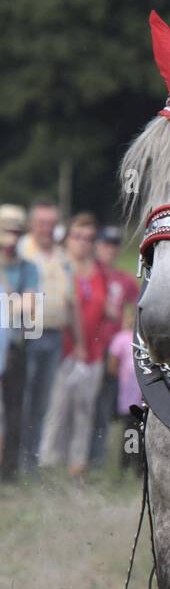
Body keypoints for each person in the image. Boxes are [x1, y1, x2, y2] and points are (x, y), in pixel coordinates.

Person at [39, 213, 108, 477]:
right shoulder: (59, 268)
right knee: (57, 409)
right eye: (78, 237)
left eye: (89, 238)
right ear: (67, 239)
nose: (83, 243)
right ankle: (47, 462)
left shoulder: (100, 272)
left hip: (93, 352)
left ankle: (77, 464)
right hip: (64, 350)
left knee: (84, 410)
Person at [18, 199, 79, 472]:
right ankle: (14, 460)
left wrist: (78, 340)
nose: (47, 228)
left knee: (42, 402)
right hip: (27, 332)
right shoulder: (22, 252)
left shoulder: (62, 256)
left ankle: (31, 461)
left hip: (54, 333)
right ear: (33, 224)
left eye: (51, 224)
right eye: (42, 223)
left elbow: (71, 301)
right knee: (22, 399)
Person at [89, 223, 138, 467]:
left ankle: (100, 457)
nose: (110, 250)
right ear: (97, 246)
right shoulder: (88, 274)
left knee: (108, 407)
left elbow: (138, 306)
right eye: (106, 245)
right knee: (87, 405)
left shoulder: (124, 280)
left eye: (114, 246)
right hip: (88, 348)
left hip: (114, 351)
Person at [0, 204, 38, 482]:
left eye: (16, 232)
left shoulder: (28, 268)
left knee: (14, 411)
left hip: (13, 349)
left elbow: (28, 306)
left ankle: (9, 471)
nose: (11, 239)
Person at [108, 304, 140, 474]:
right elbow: (112, 363)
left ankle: (138, 466)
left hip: (142, 397)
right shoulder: (121, 339)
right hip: (128, 396)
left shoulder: (143, 339)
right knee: (130, 430)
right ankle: (126, 464)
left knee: (140, 430)